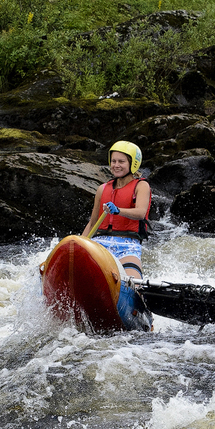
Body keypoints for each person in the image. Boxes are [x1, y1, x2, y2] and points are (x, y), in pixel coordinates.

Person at [81, 140, 153, 330]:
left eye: (121, 161)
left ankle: (144, 318)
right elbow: (92, 221)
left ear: (133, 164)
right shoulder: (102, 189)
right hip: (101, 244)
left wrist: (118, 210)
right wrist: (81, 242)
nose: (116, 165)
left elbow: (140, 212)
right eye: (113, 161)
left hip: (127, 244)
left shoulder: (141, 186)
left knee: (134, 284)